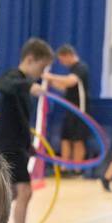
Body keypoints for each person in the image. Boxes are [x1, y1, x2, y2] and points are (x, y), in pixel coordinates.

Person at [0, 38, 54, 223]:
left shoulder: (24, 85)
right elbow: (2, 85)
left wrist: (30, 147)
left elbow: (21, 121)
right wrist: (28, 86)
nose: (41, 73)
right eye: (41, 67)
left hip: (17, 145)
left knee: (13, 194)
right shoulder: (14, 78)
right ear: (29, 59)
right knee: (23, 191)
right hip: (8, 146)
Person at [45, 44, 92, 172]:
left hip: (80, 111)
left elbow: (70, 81)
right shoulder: (72, 70)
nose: (62, 63)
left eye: (62, 59)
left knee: (78, 140)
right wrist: (50, 82)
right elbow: (64, 87)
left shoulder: (81, 67)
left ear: (68, 55)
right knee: (65, 138)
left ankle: (77, 169)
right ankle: (64, 167)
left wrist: (51, 77)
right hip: (70, 110)